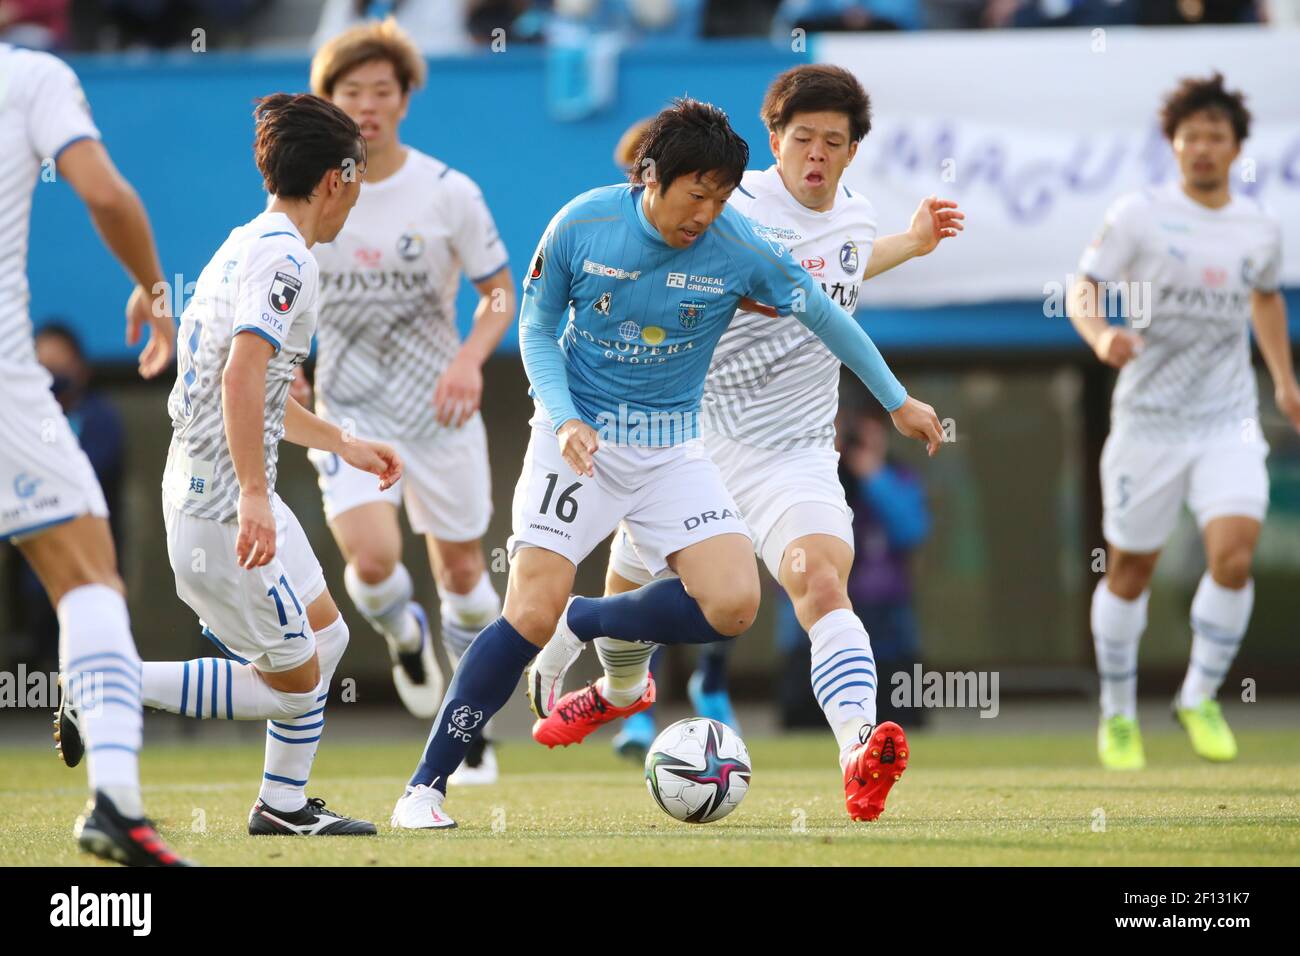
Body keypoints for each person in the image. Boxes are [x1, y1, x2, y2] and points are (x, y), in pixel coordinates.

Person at [390, 95, 945, 831]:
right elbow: (535, 325)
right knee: (526, 613)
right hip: (577, 441)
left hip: (676, 448)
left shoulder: (736, 246)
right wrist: (565, 420)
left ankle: (585, 618)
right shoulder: (582, 224)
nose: (706, 212)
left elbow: (825, 311)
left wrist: (898, 399)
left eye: (720, 196)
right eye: (696, 193)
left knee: (734, 606)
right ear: (651, 176)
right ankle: (425, 786)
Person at [530, 65, 961, 820]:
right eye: (803, 139)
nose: (817, 154)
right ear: (774, 141)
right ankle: (621, 693)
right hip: (687, 440)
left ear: (854, 151)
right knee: (627, 606)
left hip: (793, 451)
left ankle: (860, 747)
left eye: (834, 141)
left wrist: (912, 246)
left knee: (821, 581)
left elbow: (839, 280)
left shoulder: (856, 218)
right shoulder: (732, 203)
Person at [61, 93, 401, 836]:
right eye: (360, 179)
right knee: (292, 686)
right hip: (221, 511)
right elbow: (240, 376)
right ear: (338, 177)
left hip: (222, 494)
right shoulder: (287, 260)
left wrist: (341, 442)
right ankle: (104, 684)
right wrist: (252, 493)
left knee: (327, 637)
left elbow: (258, 390)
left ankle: (282, 806)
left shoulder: (249, 239)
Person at [302, 21, 514, 785]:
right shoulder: (313, 188)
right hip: (349, 409)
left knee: (462, 569)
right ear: (327, 99)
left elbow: (498, 292)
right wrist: (288, 365)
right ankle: (402, 635)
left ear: (405, 99)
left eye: (381, 91)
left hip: (440, 409)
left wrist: (468, 359)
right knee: (373, 557)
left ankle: (470, 726)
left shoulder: (448, 191)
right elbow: (283, 286)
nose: (367, 105)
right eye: (351, 91)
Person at [1067, 73, 1295, 769]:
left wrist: (1284, 380)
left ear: (1235, 149)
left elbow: (1264, 299)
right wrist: (1103, 337)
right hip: (1148, 421)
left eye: (1215, 137)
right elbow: (1085, 286)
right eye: (1190, 135)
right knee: (1132, 568)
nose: (1202, 148)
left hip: (1227, 418)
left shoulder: (1258, 227)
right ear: (1173, 144)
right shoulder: (1139, 213)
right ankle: (1117, 714)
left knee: (1233, 555)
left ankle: (1198, 695)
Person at [1, 43, 184, 865]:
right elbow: (105, 192)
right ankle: (116, 802)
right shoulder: (31, 75)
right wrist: (153, 286)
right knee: (87, 577)